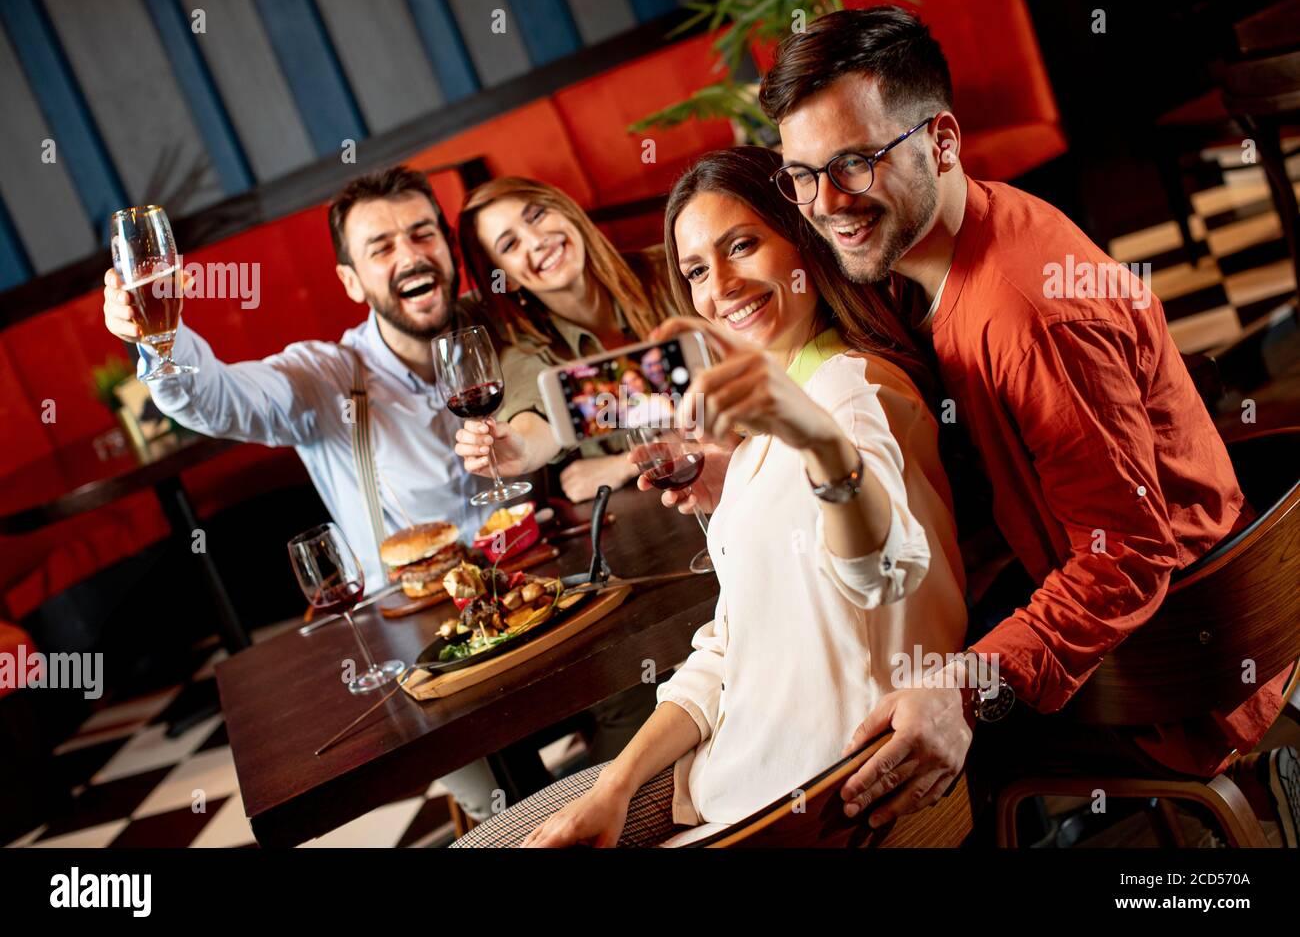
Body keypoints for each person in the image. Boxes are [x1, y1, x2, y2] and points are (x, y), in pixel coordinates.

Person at [760, 5, 1298, 841]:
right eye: (801, 174)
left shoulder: (1024, 311)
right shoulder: (952, 237)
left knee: (860, 751)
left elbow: (1127, 559)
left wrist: (967, 686)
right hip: (1169, 599)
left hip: (1180, 661)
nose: (827, 203)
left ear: (941, 141)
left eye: (855, 163)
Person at [452, 146, 966, 847]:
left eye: (743, 245)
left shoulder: (848, 393)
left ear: (804, 240)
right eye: (697, 270)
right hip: (728, 774)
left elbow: (885, 572)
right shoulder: (772, 405)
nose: (719, 286)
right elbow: (730, 644)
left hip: (807, 802)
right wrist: (614, 788)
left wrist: (815, 446)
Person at [102, 165, 510, 824]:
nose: (409, 256)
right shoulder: (325, 379)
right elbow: (215, 398)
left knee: (636, 724)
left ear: (448, 246)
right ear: (351, 280)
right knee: (505, 805)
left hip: (539, 596)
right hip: (424, 651)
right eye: (380, 247)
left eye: (422, 233)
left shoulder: (502, 338)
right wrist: (160, 337)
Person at [451, 177, 685, 503]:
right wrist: (521, 451)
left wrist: (626, 465)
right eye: (509, 245)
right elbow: (539, 422)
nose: (536, 241)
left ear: (565, 210)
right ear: (508, 279)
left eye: (536, 216)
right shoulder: (526, 350)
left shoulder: (675, 270)